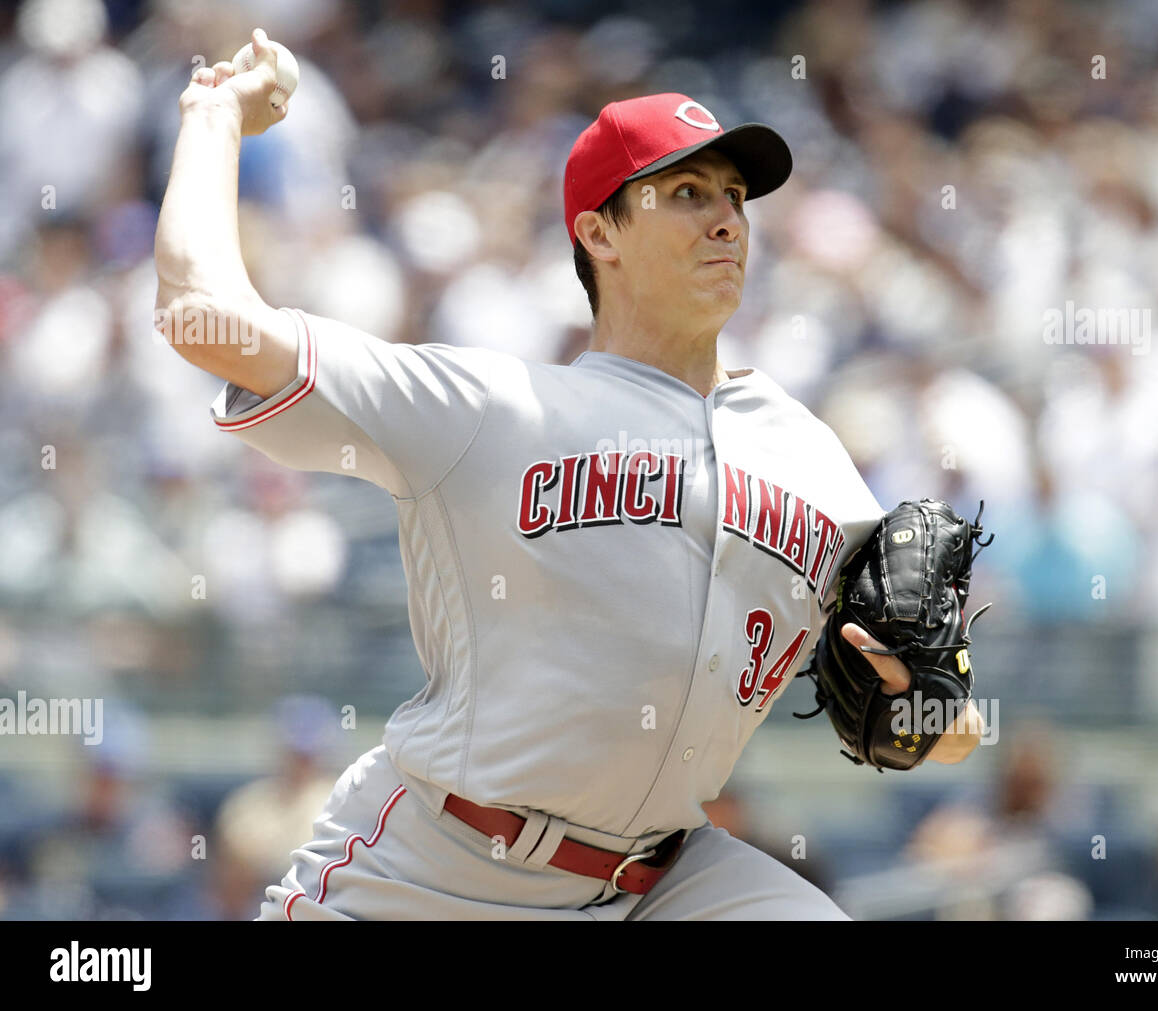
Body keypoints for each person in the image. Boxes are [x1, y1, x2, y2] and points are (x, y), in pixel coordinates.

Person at [153, 29, 982, 921]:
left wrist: (923, 713)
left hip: (662, 882)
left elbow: (948, 728)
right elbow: (203, 316)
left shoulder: (811, 458)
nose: (727, 220)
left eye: (737, 197)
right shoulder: (488, 407)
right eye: (688, 192)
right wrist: (212, 117)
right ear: (597, 231)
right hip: (432, 871)